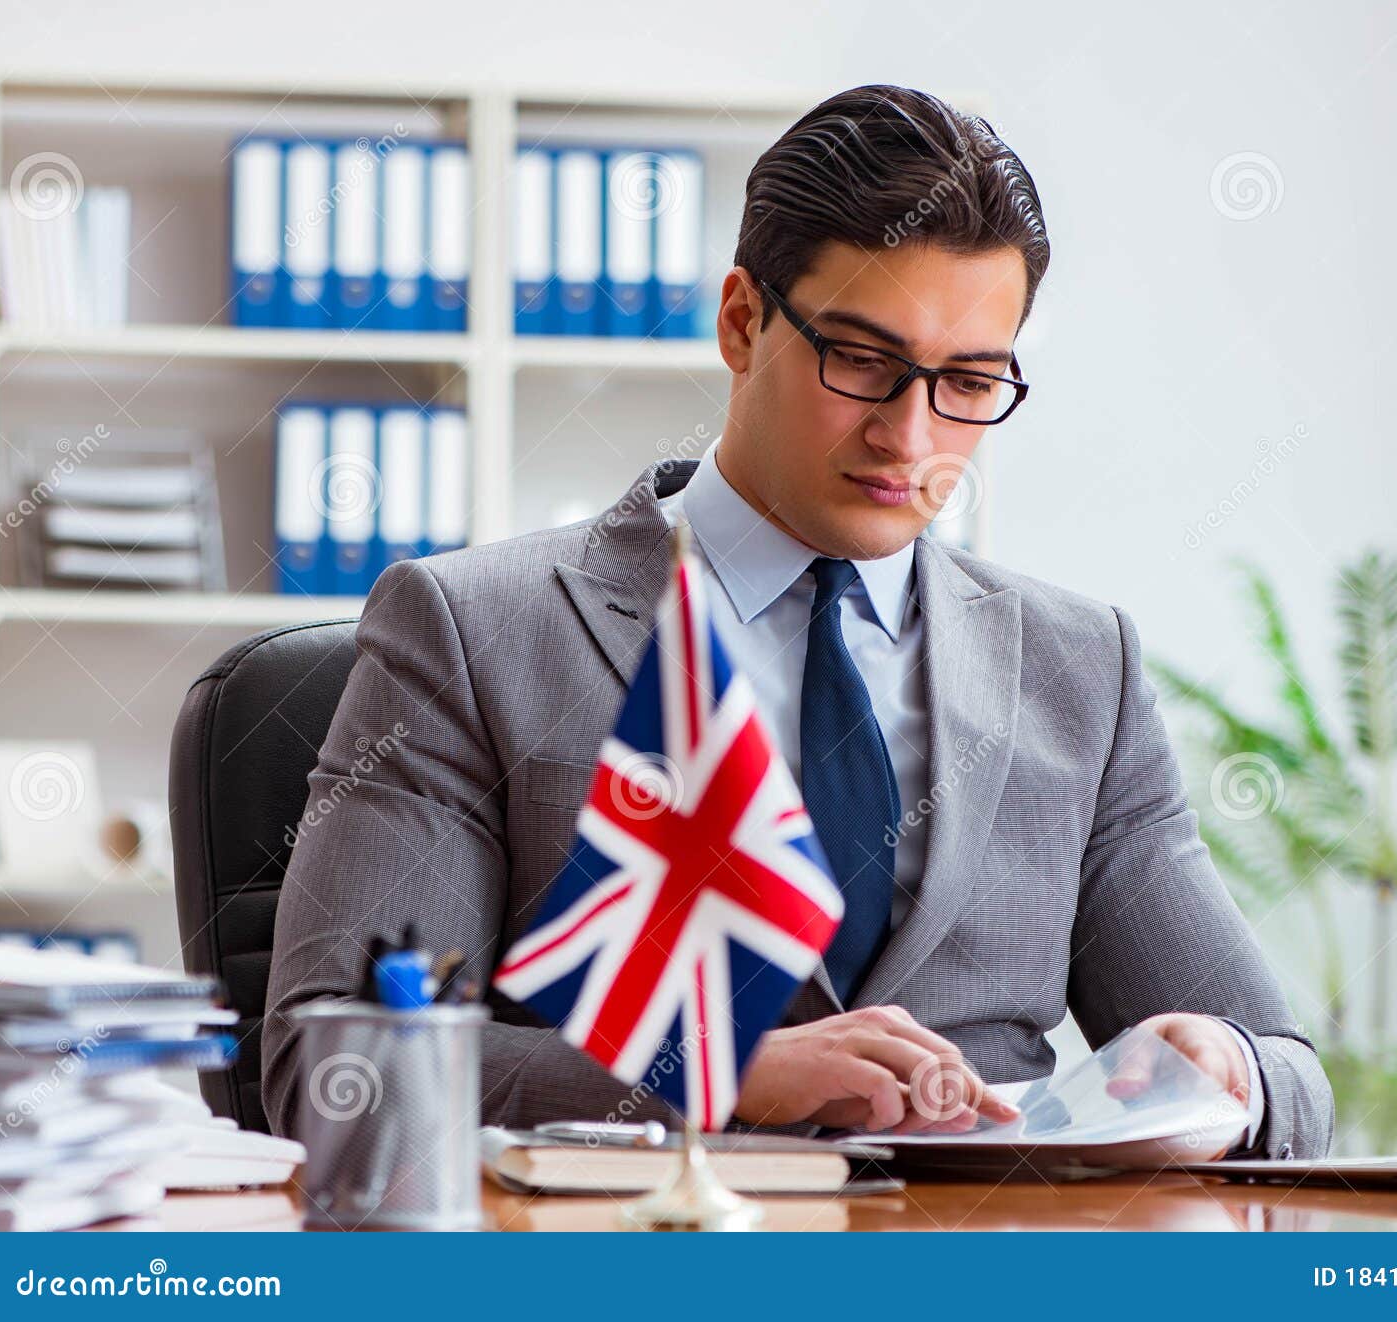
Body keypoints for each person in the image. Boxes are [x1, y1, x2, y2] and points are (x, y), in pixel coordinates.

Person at [263, 84, 1333, 1159]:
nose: (909, 438)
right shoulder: (475, 628)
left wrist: (1232, 1068)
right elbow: (331, 1067)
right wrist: (718, 1074)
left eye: (966, 381)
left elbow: (1289, 1078)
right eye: (862, 361)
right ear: (742, 322)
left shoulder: (1078, 667)